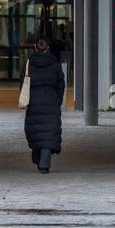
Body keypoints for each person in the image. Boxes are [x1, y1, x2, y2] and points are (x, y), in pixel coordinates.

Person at [23, 34, 65, 174]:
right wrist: (57, 100)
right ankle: (44, 163)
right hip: (51, 102)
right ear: (48, 48)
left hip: (34, 102)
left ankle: (38, 157)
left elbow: (22, 83)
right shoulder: (55, 63)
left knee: (35, 130)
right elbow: (61, 84)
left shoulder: (29, 63)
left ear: (35, 46)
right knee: (49, 132)